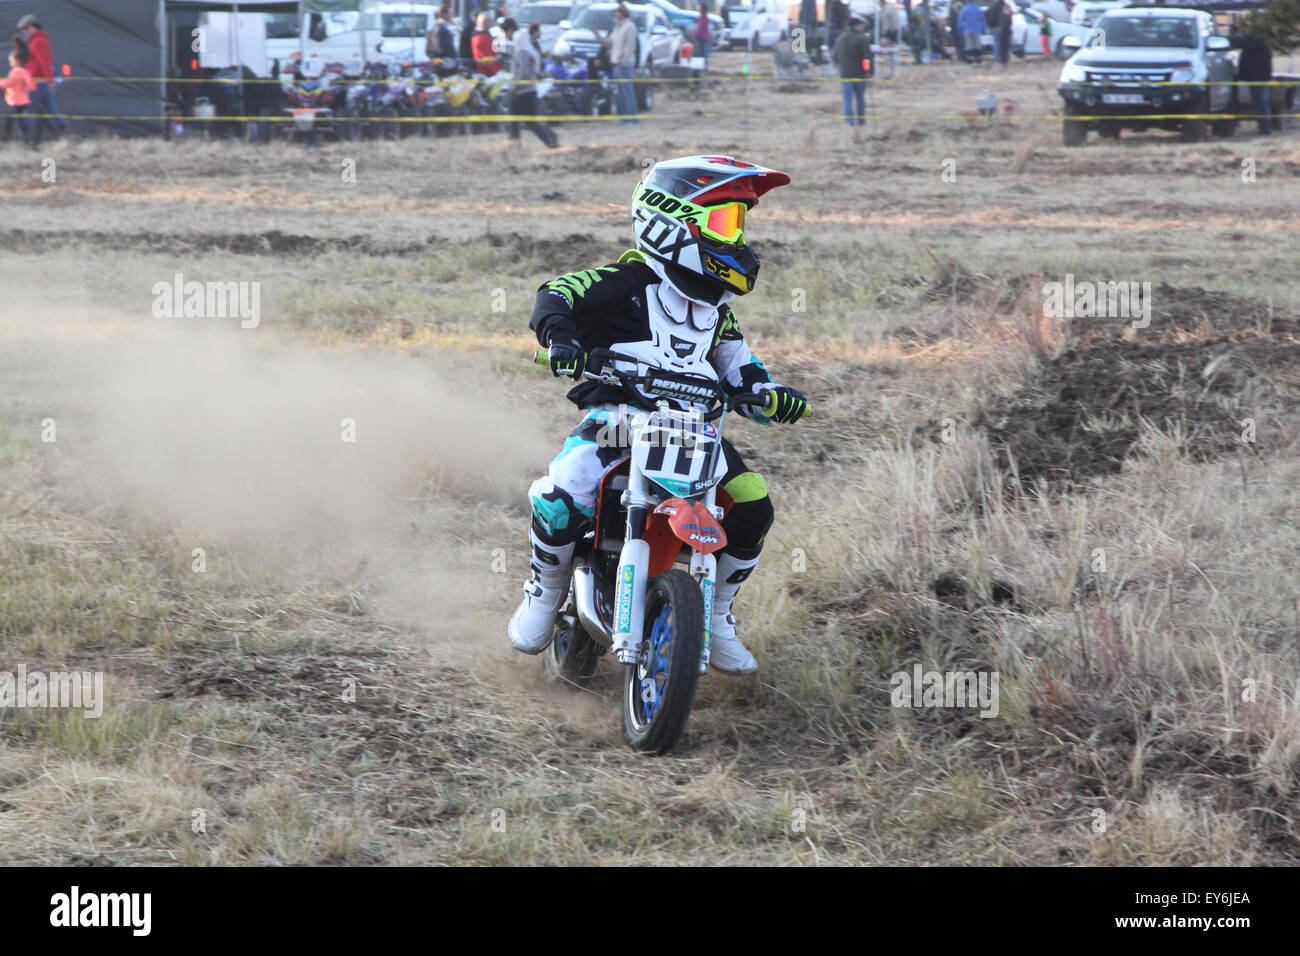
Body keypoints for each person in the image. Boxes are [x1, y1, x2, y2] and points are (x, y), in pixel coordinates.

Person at [510, 155, 809, 675]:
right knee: (561, 495)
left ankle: (716, 616)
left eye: (737, 223)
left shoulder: (716, 309)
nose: (734, 237)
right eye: (723, 222)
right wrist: (562, 341)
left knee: (753, 502)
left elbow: (740, 365)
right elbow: (556, 294)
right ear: (669, 218)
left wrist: (767, 393)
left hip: (692, 431)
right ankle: (544, 592)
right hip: (619, 420)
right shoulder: (627, 279)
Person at [503, 19, 558, 148]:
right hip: (526, 89)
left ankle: (549, 139)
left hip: (522, 90)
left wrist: (515, 85)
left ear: (510, 31)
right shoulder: (527, 47)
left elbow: (523, 73)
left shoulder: (521, 51)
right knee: (521, 120)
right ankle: (548, 137)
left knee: (523, 120)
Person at [17, 14, 62, 139]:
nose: (24, 32)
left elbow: (45, 63)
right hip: (39, 82)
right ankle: (64, 136)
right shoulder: (35, 42)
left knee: (28, 112)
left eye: (26, 28)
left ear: (33, 27)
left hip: (38, 83)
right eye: (23, 29)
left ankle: (29, 142)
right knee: (51, 111)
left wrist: (50, 81)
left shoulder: (38, 42)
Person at [595, 4, 638, 124]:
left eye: (617, 12)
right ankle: (625, 117)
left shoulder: (629, 27)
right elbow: (608, 43)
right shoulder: (616, 28)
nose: (615, 14)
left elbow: (630, 47)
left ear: (622, 13)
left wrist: (624, 62)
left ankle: (632, 118)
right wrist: (598, 36)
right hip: (616, 64)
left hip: (623, 64)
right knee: (621, 93)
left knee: (627, 91)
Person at [1232, 26, 1273, 136]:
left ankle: (1265, 128)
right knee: (1260, 102)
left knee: (1261, 102)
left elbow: (1239, 43)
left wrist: (1234, 33)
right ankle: (1264, 127)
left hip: (1258, 76)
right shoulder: (1260, 39)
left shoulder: (1256, 39)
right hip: (1257, 76)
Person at [833, 16, 870, 127]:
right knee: (860, 99)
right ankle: (861, 121)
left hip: (845, 74)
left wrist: (841, 67)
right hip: (859, 75)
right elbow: (866, 58)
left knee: (847, 100)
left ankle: (849, 122)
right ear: (855, 26)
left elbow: (835, 57)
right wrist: (867, 71)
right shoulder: (862, 39)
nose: (862, 27)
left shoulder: (840, 39)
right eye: (860, 25)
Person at [1, 35, 35, 145]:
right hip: (24, 101)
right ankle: (7, 140)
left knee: (17, 123)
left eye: (11, 61)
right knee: (12, 121)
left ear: (17, 61)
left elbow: (8, 83)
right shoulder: (25, 71)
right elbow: (31, 86)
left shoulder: (15, 71)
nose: (10, 64)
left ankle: (24, 142)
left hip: (16, 102)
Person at [471, 11, 501, 75]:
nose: (491, 23)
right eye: (490, 21)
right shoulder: (481, 37)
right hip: (487, 71)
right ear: (484, 22)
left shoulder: (478, 35)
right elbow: (486, 56)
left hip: (486, 70)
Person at [957, 0, 986, 65]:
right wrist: (983, 30)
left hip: (967, 30)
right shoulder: (978, 9)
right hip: (976, 29)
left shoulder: (964, 9)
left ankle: (970, 58)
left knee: (969, 45)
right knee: (977, 44)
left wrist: (960, 30)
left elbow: (960, 21)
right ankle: (978, 58)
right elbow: (983, 20)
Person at [995, 0, 1012, 67]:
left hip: (1004, 33)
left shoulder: (1002, 15)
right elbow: (1006, 25)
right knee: (1004, 48)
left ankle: (1004, 60)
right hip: (1004, 33)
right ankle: (1003, 61)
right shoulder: (1005, 16)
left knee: (1004, 48)